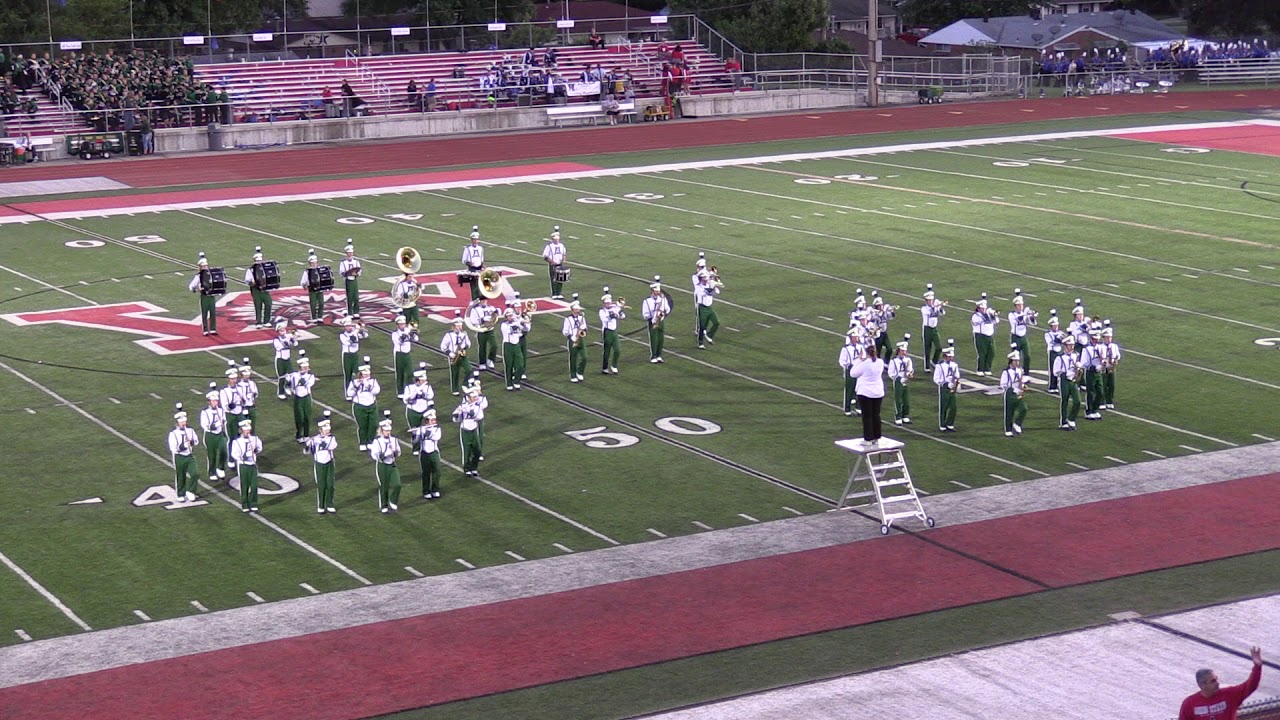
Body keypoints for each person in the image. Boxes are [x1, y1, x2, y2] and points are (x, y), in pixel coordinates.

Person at [1179, 647, 1263, 720]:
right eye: (1213, 681)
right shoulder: (1189, 704)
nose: (1217, 683)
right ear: (1202, 685)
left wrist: (1257, 667)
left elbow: (1250, 686)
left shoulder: (1229, 695)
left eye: (1216, 679)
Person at [850, 346, 885, 445]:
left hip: (865, 393)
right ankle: (876, 437)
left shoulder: (864, 364)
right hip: (878, 392)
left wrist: (859, 360)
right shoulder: (880, 362)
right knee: (876, 415)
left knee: (867, 416)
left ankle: (868, 439)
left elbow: (852, 373)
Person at [167, 405, 200, 503]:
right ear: (177, 422)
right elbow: (173, 448)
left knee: (195, 473)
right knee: (181, 476)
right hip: (179, 457)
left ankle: (191, 491)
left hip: (189, 456)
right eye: (181, 422)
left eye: (184, 421)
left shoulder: (190, 431)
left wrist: (191, 442)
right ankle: (180, 494)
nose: (183, 423)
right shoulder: (173, 434)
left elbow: (196, 440)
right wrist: (184, 446)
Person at [306, 413, 338, 514]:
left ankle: (330, 504)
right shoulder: (315, 439)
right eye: (326, 429)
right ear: (321, 430)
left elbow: (332, 446)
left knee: (330, 484)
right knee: (321, 485)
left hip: (329, 463)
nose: (328, 431)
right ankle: (321, 505)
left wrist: (319, 443)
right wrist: (309, 445)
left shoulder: (331, 438)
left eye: (328, 429)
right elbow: (308, 451)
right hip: (319, 464)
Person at [368, 418, 402, 513]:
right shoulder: (377, 442)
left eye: (389, 431)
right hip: (382, 466)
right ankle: (384, 506)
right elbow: (375, 456)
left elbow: (398, 452)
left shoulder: (394, 440)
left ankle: (393, 501)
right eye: (386, 431)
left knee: (397, 484)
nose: (388, 432)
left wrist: (394, 452)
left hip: (392, 465)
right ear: (382, 431)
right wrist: (386, 453)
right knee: (384, 486)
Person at [229, 419, 262, 512]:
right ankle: (245, 504)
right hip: (243, 465)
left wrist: (256, 450)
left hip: (252, 465)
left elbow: (260, 447)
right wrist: (242, 457)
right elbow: (234, 454)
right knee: (244, 485)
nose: (247, 431)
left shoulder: (254, 439)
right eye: (246, 430)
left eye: (248, 429)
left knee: (254, 485)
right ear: (241, 430)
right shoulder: (237, 442)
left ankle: (253, 503)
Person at [346, 361, 380, 451]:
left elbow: (376, 391)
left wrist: (367, 385)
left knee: (373, 425)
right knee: (362, 425)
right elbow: (349, 393)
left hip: (372, 406)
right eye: (365, 374)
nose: (367, 376)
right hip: (359, 406)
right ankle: (363, 442)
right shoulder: (354, 382)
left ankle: (370, 441)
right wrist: (357, 386)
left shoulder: (373, 381)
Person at [410, 409, 443, 499]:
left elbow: (437, 437)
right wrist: (414, 434)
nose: (433, 422)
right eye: (431, 420)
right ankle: (426, 491)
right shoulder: (421, 429)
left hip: (434, 452)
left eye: (434, 420)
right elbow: (416, 441)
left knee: (437, 471)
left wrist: (428, 433)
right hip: (424, 453)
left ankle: (435, 489)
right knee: (426, 473)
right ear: (426, 421)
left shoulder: (437, 429)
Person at [285, 353, 316, 442]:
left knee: (307, 417)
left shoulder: (310, 376)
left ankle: (306, 435)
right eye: (304, 367)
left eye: (306, 367)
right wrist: (288, 383)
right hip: (298, 398)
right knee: (300, 418)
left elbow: (309, 384)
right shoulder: (294, 375)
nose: (306, 369)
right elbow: (288, 385)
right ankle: (299, 435)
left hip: (306, 397)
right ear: (300, 367)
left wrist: (302, 381)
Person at [453, 385, 483, 476]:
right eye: (473, 397)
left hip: (474, 429)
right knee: (467, 451)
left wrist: (469, 411)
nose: (475, 399)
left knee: (477, 450)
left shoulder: (477, 407)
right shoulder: (462, 406)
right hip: (465, 430)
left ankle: (474, 467)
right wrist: (458, 414)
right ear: (468, 398)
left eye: (475, 397)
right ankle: (467, 469)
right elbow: (456, 420)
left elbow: (479, 416)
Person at [1052, 336, 1082, 430]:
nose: (1072, 347)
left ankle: (1071, 419)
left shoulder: (1076, 355)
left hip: (1073, 381)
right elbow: (1055, 371)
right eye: (1070, 345)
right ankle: (1063, 422)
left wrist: (1078, 370)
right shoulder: (1060, 358)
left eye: (1072, 345)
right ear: (1065, 346)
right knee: (1064, 401)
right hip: (1064, 381)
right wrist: (1064, 374)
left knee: (1077, 401)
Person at [198, 389, 228, 482]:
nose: (215, 403)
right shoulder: (205, 412)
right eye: (213, 401)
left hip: (220, 434)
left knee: (224, 451)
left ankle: (220, 467)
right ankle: (212, 472)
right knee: (212, 455)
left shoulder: (221, 410)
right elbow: (205, 426)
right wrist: (216, 424)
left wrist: (222, 423)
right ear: (209, 402)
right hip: (210, 436)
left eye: (216, 401)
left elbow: (224, 420)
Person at [188, 252, 218, 336]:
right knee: (204, 313)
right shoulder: (199, 276)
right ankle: (205, 329)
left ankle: (213, 329)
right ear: (200, 267)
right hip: (204, 296)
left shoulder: (211, 274)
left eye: (206, 266)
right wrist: (197, 289)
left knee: (213, 312)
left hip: (211, 296)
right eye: (203, 266)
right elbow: (191, 286)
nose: (205, 267)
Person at [999, 350, 1028, 437]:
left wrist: (1023, 386)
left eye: (1018, 361)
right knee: (1009, 412)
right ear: (1011, 361)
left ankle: (1017, 423)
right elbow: (1003, 384)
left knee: (1024, 408)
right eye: (1015, 361)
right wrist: (1012, 388)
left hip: (1018, 393)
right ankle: (1008, 430)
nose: (1017, 363)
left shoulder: (1019, 371)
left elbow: (1021, 381)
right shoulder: (1006, 372)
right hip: (1010, 393)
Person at [441, 317, 473, 396]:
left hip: (462, 355)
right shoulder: (448, 335)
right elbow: (443, 346)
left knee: (469, 369)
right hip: (453, 356)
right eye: (458, 326)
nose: (460, 328)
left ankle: (465, 384)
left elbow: (468, 344)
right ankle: (455, 389)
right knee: (455, 373)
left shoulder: (464, 334)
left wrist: (465, 346)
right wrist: (449, 353)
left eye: (460, 326)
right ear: (454, 326)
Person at [932, 342, 960, 432]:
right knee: (943, 407)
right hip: (944, 388)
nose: (950, 358)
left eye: (951, 357)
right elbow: (936, 379)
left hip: (953, 388)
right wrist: (946, 384)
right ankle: (942, 425)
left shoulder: (954, 365)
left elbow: (957, 375)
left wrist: (955, 383)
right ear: (945, 356)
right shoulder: (939, 366)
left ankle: (950, 424)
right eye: (949, 357)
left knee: (954, 407)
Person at [641, 281, 671, 363]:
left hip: (661, 321)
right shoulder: (647, 301)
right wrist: (653, 316)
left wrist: (663, 313)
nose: (658, 293)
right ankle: (653, 356)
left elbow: (667, 309)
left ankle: (659, 355)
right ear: (652, 291)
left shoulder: (662, 299)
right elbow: (645, 314)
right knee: (654, 339)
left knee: (661, 338)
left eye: (658, 291)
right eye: (656, 291)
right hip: (652, 322)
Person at [499, 309, 529, 390]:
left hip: (516, 345)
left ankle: (516, 381)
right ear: (505, 317)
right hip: (508, 345)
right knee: (509, 366)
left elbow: (526, 330)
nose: (511, 317)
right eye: (509, 316)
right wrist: (520, 323)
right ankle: (509, 384)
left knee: (520, 365)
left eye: (511, 315)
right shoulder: (504, 325)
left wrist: (525, 323)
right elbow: (512, 329)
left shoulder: (516, 322)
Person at [886, 336, 913, 426]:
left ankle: (905, 415)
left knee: (906, 399)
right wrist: (898, 378)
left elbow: (910, 369)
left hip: (906, 381)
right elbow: (890, 373)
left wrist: (910, 374)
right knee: (898, 399)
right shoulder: (894, 361)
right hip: (898, 381)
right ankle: (898, 416)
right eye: (902, 351)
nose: (904, 352)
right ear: (898, 351)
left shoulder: (908, 360)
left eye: (905, 351)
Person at [466, 298, 499, 370]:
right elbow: (473, 320)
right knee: (482, 347)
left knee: (494, 345)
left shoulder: (491, 307)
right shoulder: (475, 309)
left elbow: (496, 314)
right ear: (480, 301)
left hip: (490, 329)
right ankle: (482, 363)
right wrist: (483, 319)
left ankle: (490, 360)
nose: (484, 302)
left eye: (485, 300)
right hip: (481, 330)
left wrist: (496, 313)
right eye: (483, 300)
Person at [1080, 332, 1106, 420]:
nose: (1096, 341)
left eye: (1097, 340)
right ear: (1091, 339)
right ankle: (1089, 411)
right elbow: (1083, 363)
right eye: (1095, 339)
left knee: (1100, 392)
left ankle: (1095, 409)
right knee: (1090, 392)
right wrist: (1094, 367)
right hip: (1090, 373)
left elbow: (1103, 358)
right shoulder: (1086, 349)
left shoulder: (1100, 347)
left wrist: (1103, 362)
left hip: (1099, 373)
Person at [390, 315, 418, 395]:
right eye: (400, 324)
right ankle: (400, 392)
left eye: (403, 324)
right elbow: (400, 341)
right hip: (399, 354)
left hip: (407, 354)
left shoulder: (408, 330)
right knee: (400, 373)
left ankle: (409, 390)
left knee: (410, 373)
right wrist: (406, 333)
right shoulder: (395, 334)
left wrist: (412, 334)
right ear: (397, 325)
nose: (402, 325)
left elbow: (416, 339)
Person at [245, 247, 273, 328]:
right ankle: (258, 322)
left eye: (260, 260)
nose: (259, 262)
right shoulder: (251, 270)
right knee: (258, 305)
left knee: (268, 303)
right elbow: (247, 280)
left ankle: (266, 320)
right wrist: (252, 283)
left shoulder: (266, 268)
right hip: (256, 290)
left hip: (265, 289)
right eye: (257, 261)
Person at [561, 300, 588, 383]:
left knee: (585, 357)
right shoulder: (568, 319)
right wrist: (571, 337)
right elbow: (564, 331)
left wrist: (582, 330)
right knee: (573, 359)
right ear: (572, 310)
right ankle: (573, 375)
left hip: (580, 339)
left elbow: (585, 328)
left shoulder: (581, 317)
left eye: (578, 309)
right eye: (576, 310)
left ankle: (580, 372)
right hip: (572, 340)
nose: (578, 311)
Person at [1007, 291, 1035, 371]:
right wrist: (1026, 314)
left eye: (1022, 305)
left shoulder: (1024, 314)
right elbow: (1018, 321)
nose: (1021, 307)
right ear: (1015, 306)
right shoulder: (1011, 314)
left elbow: (1032, 323)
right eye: (1019, 305)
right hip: (1015, 337)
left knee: (1027, 356)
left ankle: (1026, 373)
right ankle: (1010, 371)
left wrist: (1032, 316)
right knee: (1014, 356)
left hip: (1023, 337)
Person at [920, 285, 946, 371]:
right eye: (929, 300)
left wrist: (940, 307)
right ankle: (926, 367)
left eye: (932, 300)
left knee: (939, 348)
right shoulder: (924, 308)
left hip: (934, 329)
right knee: (927, 349)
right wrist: (935, 306)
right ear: (926, 301)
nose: (931, 301)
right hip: (927, 329)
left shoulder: (935, 306)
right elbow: (929, 313)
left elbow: (943, 314)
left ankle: (934, 362)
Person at [971, 298, 998, 376]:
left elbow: (996, 321)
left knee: (991, 352)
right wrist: (987, 316)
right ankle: (980, 369)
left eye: (984, 308)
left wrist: (993, 315)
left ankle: (987, 368)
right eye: (982, 308)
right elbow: (976, 322)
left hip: (990, 336)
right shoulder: (975, 316)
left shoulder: (988, 314)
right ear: (978, 308)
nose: (983, 310)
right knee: (982, 354)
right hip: (980, 336)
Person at [598, 290, 624, 375]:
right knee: (607, 351)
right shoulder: (602, 311)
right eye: (606, 303)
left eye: (609, 303)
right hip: (607, 331)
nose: (608, 305)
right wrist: (612, 315)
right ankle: (604, 368)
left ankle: (614, 365)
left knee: (618, 350)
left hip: (614, 331)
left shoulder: (614, 308)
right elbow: (604, 320)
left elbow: (623, 316)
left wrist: (619, 312)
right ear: (604, 304)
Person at [694, 271, 720, 350]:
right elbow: (703, 293)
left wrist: (715, 286)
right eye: (704, 277)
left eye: (706, 277)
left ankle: (709, 335)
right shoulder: (698, 286)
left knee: (717, 322)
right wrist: (711, 287)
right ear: (701, 279)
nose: (706, 279)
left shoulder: (709, 284)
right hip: (702, 308)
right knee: (702, 327)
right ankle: (700, 343)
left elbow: (717, 292)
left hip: (709, 308)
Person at [838, 330, 861, 417]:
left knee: (859, 388)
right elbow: (842, 360)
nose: (856, 339)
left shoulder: (860, 347)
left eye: (857, 337)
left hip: (859, 368)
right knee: (849, 389)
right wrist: (847, 366)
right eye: (855, 337)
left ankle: (858, 407)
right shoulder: (846, 348)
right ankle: (847, 408)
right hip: (851, 368)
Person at [338, 317, 368, 387]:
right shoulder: (342, 335)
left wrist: (362, 329)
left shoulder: (355, 332)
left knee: (357, 372)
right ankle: (348, 393)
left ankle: (357, 389)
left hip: (355, 355)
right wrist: (356, 331)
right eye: (347, 326)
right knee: (348, 375)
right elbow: (349, 342)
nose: (349, 327)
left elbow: (365, 335)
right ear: (344, 327)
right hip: (347, 356)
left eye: (350, 326)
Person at [271, 322, 298, 400]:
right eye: (280, 330)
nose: (283, 331)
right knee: (281, 377)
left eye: (283, 329)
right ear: (278, 331)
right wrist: (290, 341)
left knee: (292, 375)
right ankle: (280, 392)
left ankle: (288, 386)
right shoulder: (276, 340)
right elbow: (281, 347)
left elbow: (296, 344)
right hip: (280, 360)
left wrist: (294, 337)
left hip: (287, 359)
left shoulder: (288, 336)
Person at [1044, 312, 1066, 394]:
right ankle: (1052, 386)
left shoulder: (1060, 332)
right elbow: (1052, 342)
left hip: (1060, 352)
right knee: (1052, 369)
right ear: (1051, 326)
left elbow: (1065, 339)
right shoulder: (1047, 334)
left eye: (1057, 325)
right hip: (1052, 352)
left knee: (1060, 369)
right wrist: (1059, 338)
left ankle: (1058, 385)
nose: (1056, 327)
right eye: (1054, 325)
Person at [300, 251, 325, 325]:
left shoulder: (320, 270)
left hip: (320, 289)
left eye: (315, 263)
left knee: (321, 303)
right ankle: (314, 317)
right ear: (310, 263)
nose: (315, 264)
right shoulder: (307, 271)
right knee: (313, 304)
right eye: (313, 263)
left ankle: (320, 317)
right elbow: (303, 281)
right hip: (312, 290)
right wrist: (305, 286)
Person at [542, 226, 567, 299]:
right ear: (552, 239)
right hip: (553, 265)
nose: (557, 241)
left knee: (560, 279)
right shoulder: (549, 246)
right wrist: (551, 261)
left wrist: (564, 259)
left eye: (558, 239)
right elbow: (545, 256)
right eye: (555, 239)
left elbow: (564, 253)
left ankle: (559, 293)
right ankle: (554, 294)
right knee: (553, 279)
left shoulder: (561, 245)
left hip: (560, 264)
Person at [219, 369, 244, 438]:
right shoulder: (224, 391)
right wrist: (230, 406)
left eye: (235, 379)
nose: (234, 381)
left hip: (240, 413)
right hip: (230, 415)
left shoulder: (240, 388)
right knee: (232, 436)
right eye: (232, 379)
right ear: (228, 379)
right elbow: (224, 406)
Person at [461, 226, 485, 301]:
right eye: (474, 239)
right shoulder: (468, 248)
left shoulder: (481, 248)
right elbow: (464, 260)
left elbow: (481, 259)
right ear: (471, 240)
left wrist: (483, 266)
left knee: (481, 286)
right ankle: (475, 300)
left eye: (476, 239)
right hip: (472, 270)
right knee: (474, 287)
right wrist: (469, 263)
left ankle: (481, 300)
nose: (475, 241)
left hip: (479, 269)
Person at [338, 241, 361, 317]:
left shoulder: (356, 261)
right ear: (346, 253)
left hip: (354, 280)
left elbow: (360, 271)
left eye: (351, 253)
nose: (350, 254)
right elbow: (341, 272)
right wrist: (349, 273)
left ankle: (356, 311)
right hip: (348, 280)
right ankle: (350, 312)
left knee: (356, 296)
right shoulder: (343, 262)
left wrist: (356, 274)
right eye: (349, 253)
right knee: (350, 297)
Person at [1100, 326, 1121, 409]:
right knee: (1103, 385)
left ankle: (1109, 401)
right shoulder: (1100, 347)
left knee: (1111, 385)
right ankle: (1102, 401)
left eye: (1110, 337)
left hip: (1112, 368)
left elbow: (1117, 356)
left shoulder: (1114, 346)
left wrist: (1115, 361)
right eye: (1107, 337)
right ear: (1104, 338)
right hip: (1104, 368)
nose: (1109, 339)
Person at [237, 361, 260, 430]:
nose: (247, 377)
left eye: (248, 375)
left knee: (252, 426)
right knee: (243, 426)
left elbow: (256, 394)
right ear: (242, 375)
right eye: (245, 375)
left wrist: (254, 394)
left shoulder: (252, 383)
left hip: (252, 407)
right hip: (244, 407)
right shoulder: (238, 385)